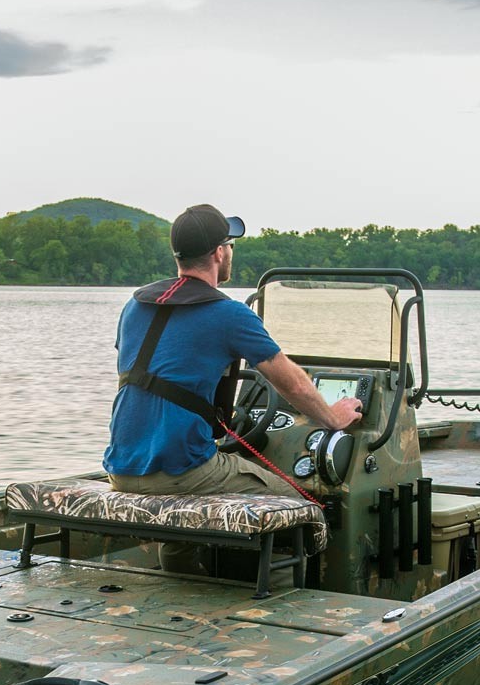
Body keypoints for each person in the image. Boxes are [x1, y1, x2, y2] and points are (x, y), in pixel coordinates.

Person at [104, 204, 362, 510]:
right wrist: (333, 418)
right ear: (219, 253)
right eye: (230, 245)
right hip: (182, 472)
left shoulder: (135, 306)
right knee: (298, 503)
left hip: (119, 470)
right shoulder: (229, 314)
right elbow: (292, 385)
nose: (230, 251)